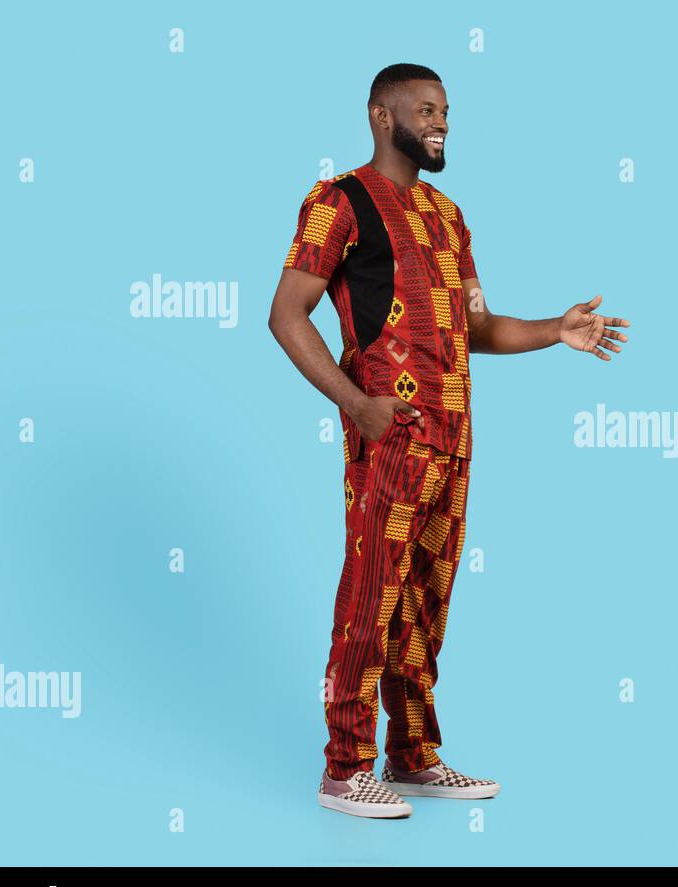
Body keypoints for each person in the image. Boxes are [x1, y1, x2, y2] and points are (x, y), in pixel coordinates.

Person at [268, 63, 630, 819]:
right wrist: (357, 405)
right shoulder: (339, 203)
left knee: (426, 606)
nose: (441, 124)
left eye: (446, 112)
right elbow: (286, 315)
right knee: (372, 598)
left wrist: (553, 331)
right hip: (391, 437)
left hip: (454, 437)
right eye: (425, 110)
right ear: (380, 115)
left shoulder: (448, 215)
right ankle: (344, 769)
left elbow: (474, 327)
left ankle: (412, 757)